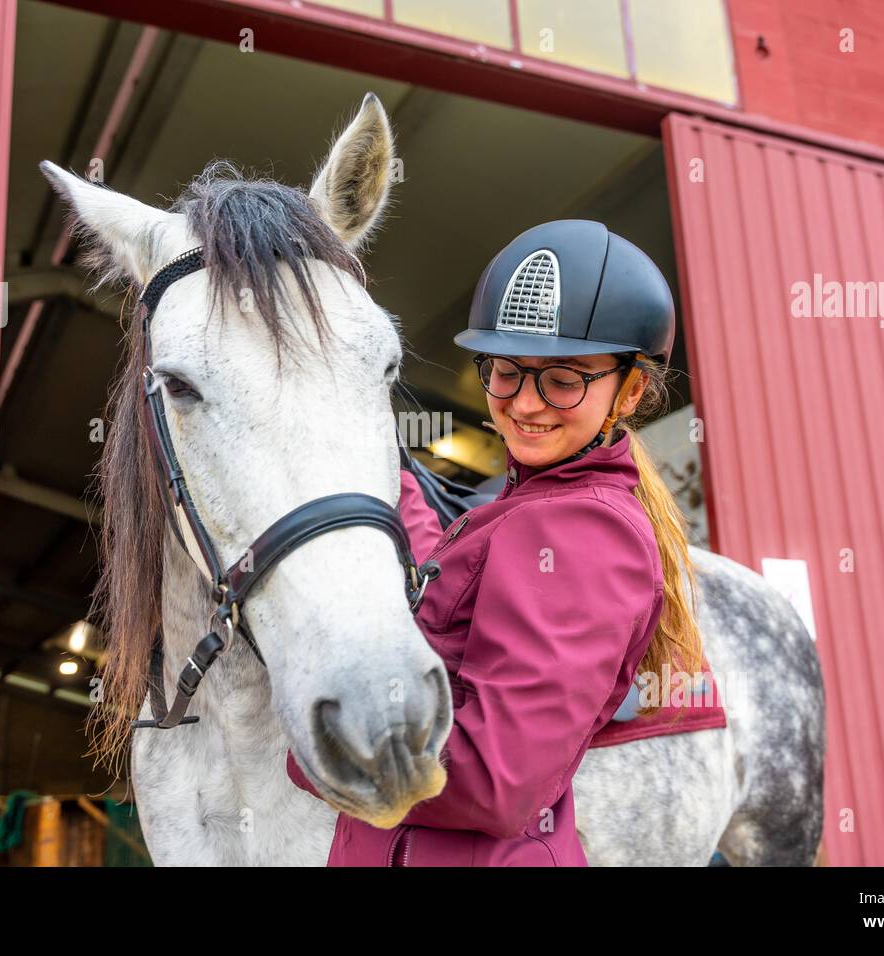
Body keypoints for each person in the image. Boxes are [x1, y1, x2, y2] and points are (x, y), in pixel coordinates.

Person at [287, 220, 703, 865]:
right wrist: (378, 475)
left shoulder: (584, 531)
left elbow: (496, 783)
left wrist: (319, 747)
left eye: (563, 379)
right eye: (506, 371)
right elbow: (444, 587)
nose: (525, 404)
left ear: (632, 389)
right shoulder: (524, 507)